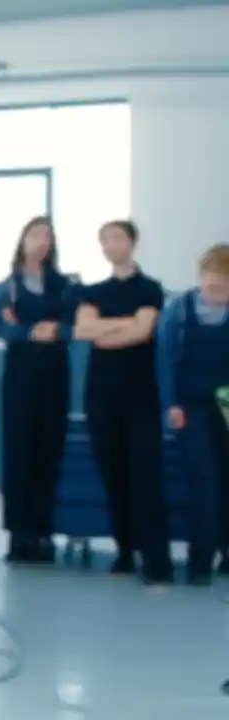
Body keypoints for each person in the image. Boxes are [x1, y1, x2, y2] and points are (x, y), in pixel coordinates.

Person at [72, 220, 174, 585]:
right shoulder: (92, 290)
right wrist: (123, 325)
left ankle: (157, 562)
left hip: (140, 396)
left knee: (145, 476)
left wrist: (107, 328)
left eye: (117, 237)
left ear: (132, 242)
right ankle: (125, 552)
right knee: (113, 474)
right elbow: (84, 331)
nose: (110, 245)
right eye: (104, 239)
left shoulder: (150, 288)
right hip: (102, 396)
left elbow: (142, 331)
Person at [0, 217, 77, 564]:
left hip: (55, 378)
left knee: (48, 451)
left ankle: (43, 532)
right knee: (19, 453)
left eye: (48, 236)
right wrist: (37, 331)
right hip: (20, 380)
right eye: (36, 234)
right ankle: (19, 536)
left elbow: (70, 327)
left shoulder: (64, 286)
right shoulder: (7, 286)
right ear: (22, 240)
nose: (42, 241)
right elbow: (5, 329)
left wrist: (38, 328)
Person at [156, 243, 229, 586]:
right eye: (211, 287)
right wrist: (172, 404)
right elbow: (167, 360)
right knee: (204, 482)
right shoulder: (179, 311)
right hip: (190, 405)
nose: (217, 294)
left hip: (226, 402)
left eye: (224, 288)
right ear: (200, 280)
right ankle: (200, 558)